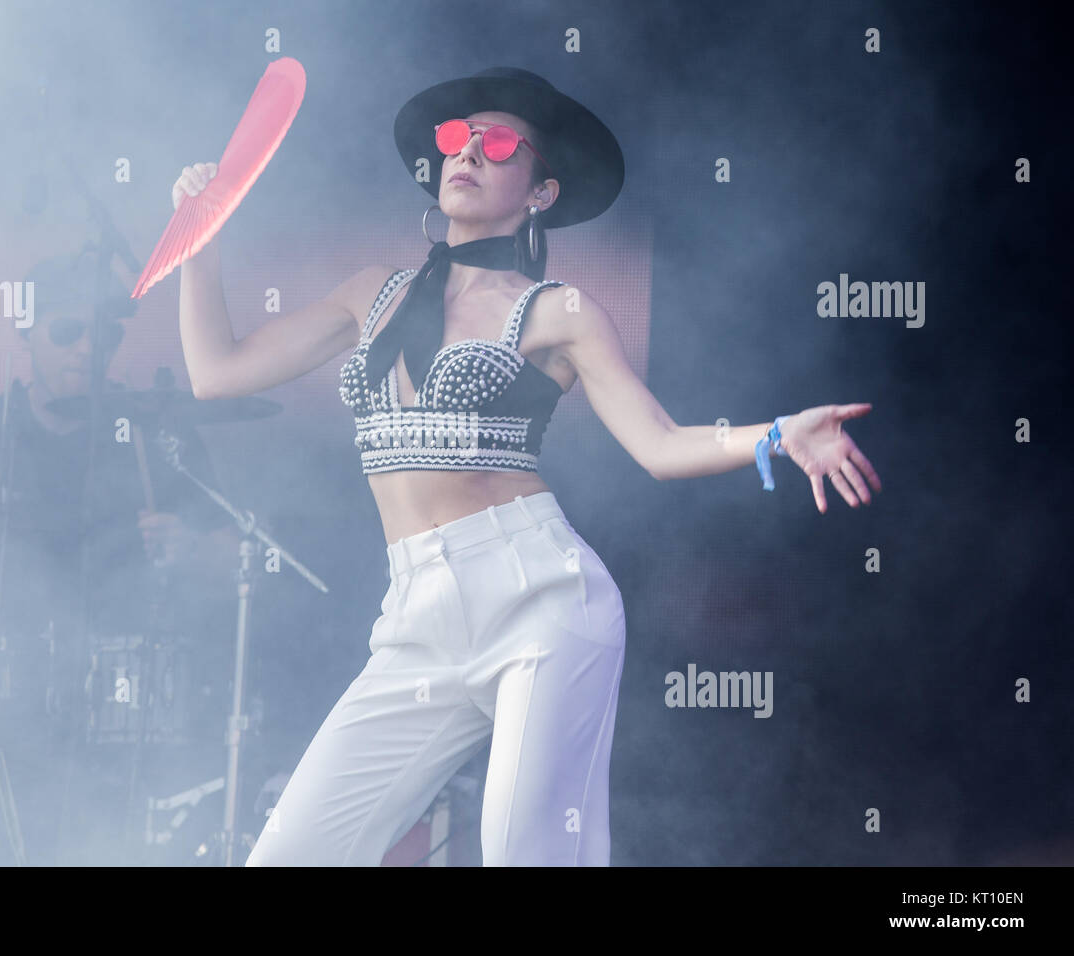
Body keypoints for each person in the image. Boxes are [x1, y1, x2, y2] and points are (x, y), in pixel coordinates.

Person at [175, 67, 881, 866]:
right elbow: (216, 372)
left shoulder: (557, 311)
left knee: (530, 856)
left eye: (498, 143)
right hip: (414, 617)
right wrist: (202, 237)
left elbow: (659, 444)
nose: (467, 153)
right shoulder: (368, 293)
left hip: (538, 599)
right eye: (454, 140)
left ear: (540, 191)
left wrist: (778, 433)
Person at [0, 251, 240, 865]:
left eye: (104, 335)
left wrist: (190, 546)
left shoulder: (150, 426)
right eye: (67, 331)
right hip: (5, 691)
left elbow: (239, 559)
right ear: (25, 333)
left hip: (130, 694)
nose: (86, 349)